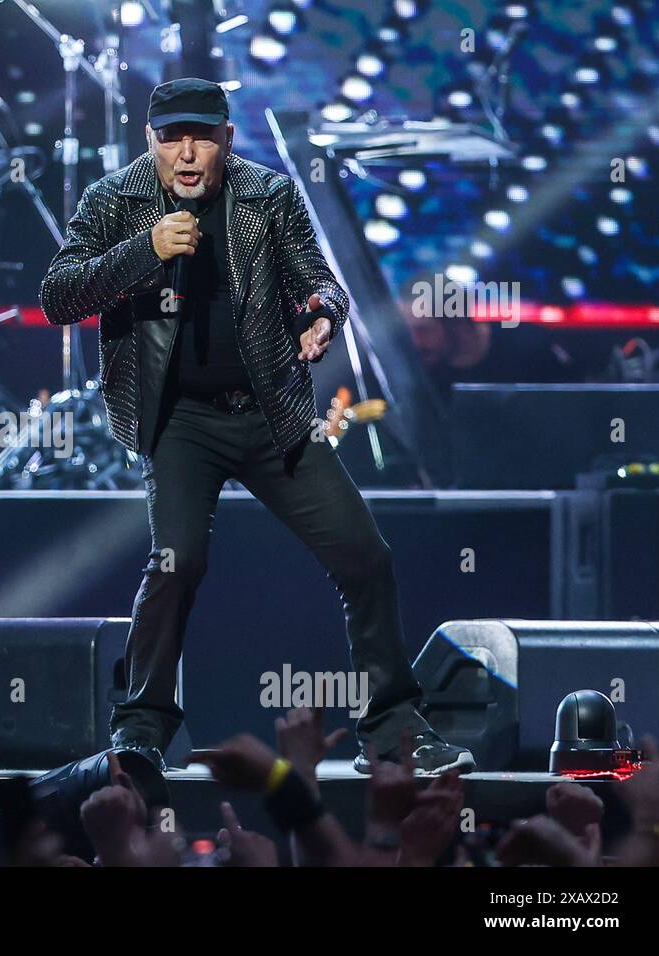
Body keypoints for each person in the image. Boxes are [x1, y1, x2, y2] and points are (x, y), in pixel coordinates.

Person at [40, 77, 476, 776]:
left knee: (367, 556)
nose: (187, 153)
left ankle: (393, 728)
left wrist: (323, 314)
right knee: (177, 563)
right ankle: (141, 728)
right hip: (177, 417)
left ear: (226, 139)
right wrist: (143, 249)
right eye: (171, 137)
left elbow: (319, 277)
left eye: (202, 137)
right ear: (149, 140)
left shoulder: (266, 195)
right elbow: (59, 296)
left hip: (271, 413)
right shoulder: (114, 200)